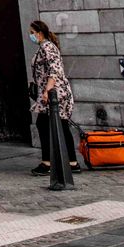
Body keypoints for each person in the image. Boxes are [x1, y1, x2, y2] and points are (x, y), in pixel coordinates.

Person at [29, 19, 81, 175]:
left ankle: (49, 163)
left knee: (47, 125)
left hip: (54, 94)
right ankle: (71, 162)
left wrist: (47, 91)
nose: (30, 36)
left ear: (39, 33)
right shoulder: (44, 47)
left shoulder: (48, 47)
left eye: (32, 33)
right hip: (51, 93)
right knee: (58, 125)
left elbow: (55, 69)